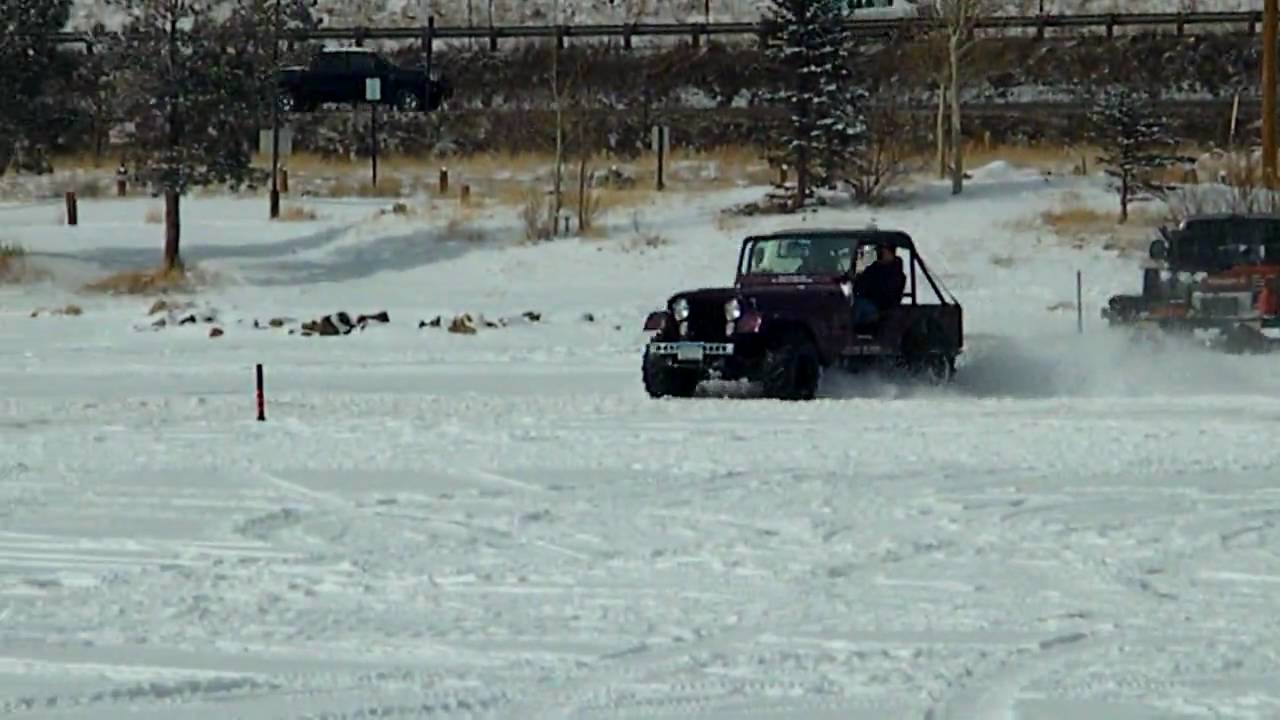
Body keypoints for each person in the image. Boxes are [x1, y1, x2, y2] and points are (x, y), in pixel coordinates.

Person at [850, 242, 906, 326]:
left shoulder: (895, 273)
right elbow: (861, 283)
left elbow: (888, 293)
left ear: (889, 252)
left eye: (881, 251)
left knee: (859, 305)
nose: (879, 254)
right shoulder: (875, 268)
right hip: (870, 303)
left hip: (880, 307)